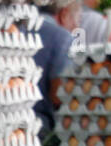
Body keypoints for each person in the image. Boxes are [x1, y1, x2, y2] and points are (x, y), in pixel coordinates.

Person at [33, 0, 78, 132]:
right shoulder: (62, 37)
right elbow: (59, 96)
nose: (76, 25)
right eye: (77, 18)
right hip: (37, 127)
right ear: (64, 14)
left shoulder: (18, 27)